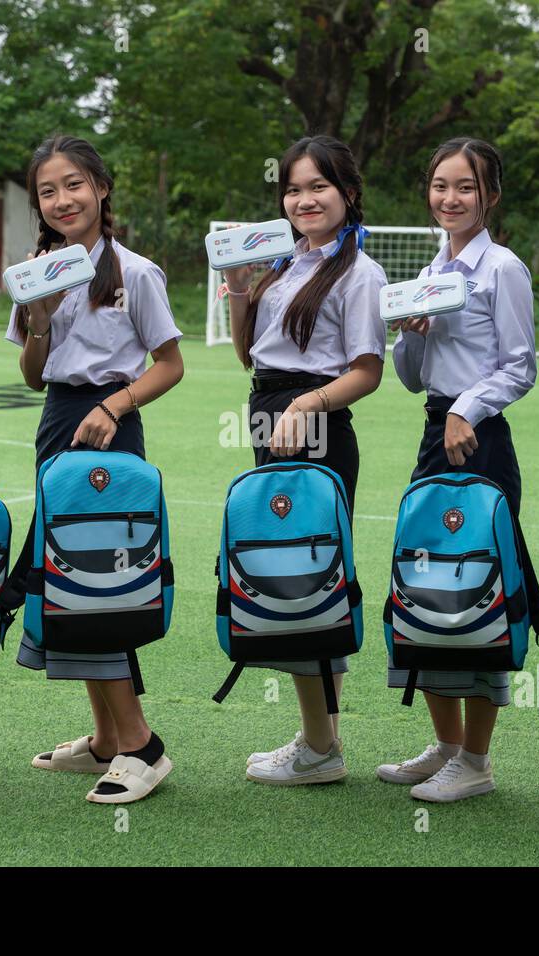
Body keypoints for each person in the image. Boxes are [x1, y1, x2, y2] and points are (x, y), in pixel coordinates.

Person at [8, 134, 184, 805]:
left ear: (102, 188)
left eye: (74, 184)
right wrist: (42, 319)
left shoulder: (135, 272)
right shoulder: (36, 271)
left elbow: (170, 364)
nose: (62, 200)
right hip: (57, 422)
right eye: (48, 191)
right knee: (66, 580)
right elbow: (31, 374)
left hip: (112, 430)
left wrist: (114, 404)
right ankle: (107, 739)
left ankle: (142, 746)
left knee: (100, 584)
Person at [222, 134, 387, 786]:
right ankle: (320, 740)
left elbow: (368, 372)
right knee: (288, 576)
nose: (304, 198)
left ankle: (320, 749)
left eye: (318, 186)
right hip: (271, 415)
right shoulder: (280, 264)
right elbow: (252, 359)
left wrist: (308, 406)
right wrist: (240, 291)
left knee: (305, 580)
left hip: (313, 427)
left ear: (347, 192)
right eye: (293, 188)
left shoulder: (361, 273)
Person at [381, 137, 539, 802]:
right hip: (434, 433)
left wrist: (468, 411)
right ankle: (445, 746)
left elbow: (520, 366)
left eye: (466, 187)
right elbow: (417, 377)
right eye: (441, 185)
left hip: (481, 442)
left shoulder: (503, 269)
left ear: (491, 196)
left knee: (476, 594)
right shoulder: (430, 270)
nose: (451, 198)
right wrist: (410, 337)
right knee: (426, 589)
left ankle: (475, 760)